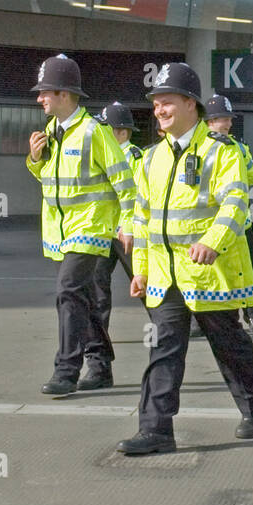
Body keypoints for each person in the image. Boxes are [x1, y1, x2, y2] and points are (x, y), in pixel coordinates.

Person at [119, 62, 253, 454]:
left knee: (230, 345)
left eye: (166, 103)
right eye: (155, 105)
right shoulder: (150, 159)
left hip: (209, 274)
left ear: (190, 104)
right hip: (166, 276)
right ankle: (155, 430)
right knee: (164, 349)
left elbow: (236, 203)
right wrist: (141, 270)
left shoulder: (223, 152)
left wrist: (212, 241)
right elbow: (144, 218)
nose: (158, 111)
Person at [27, 54, 135, 395]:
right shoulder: (51, 132)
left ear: (64, 93)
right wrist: (34, 158)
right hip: (61, 230)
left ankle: (66, 370)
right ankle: (100, 365)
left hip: (90, 228)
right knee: (85, 297)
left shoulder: (94, 132)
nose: (40, 98)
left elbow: (125, 183)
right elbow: (48, 179)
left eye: (45, 91)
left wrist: (129, 224)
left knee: (69, 291)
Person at [204, 94, 253, 334]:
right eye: (222, 119)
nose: (228, 124)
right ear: (209, 121)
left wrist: (239, 156)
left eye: (229, 119)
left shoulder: (238, 147)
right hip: (210, 225)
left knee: (249, 271)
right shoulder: (199, 148)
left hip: (241, 223)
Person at [90, 102, 145, 333]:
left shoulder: (134, 157)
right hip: (104, 231)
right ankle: (99, 335)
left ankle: (169, 327)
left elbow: (139, 197)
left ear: (122, 132)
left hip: (126, 232)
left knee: (144, 282)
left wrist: (129, 226)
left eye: (106, 128)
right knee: (97, 285)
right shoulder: (103, 156)